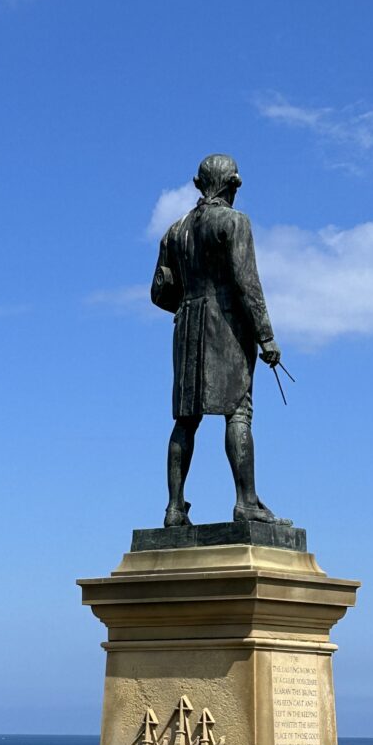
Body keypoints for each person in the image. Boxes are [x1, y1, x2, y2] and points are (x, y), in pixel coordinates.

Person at [151, 154, 283, 527]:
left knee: (185, 419)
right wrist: (266, 336)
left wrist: (189, 304)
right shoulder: (234, 222)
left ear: (198, 183)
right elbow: (246, 283)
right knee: (238, 411)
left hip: (187, 325)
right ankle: (246, 502)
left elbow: (159, 293)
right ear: (232, 185)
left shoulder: (174, 231)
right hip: (225, 326)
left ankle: (174, 509)